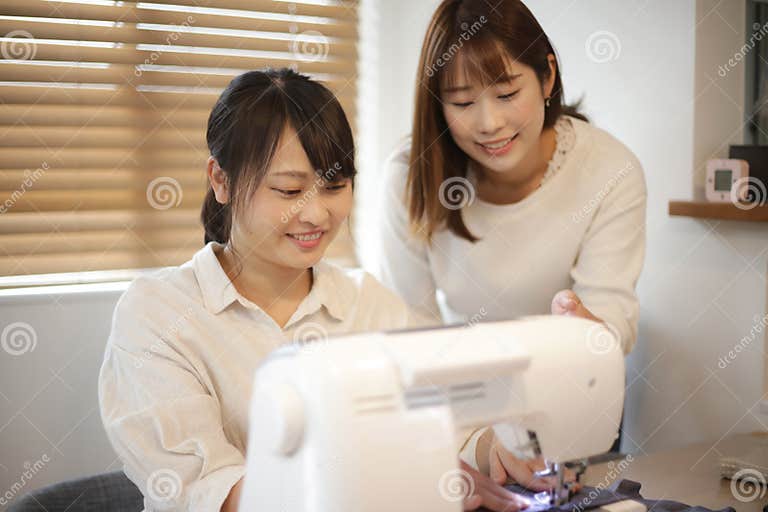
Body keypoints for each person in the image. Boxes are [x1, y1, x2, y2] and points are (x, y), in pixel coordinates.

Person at [98, 69, 530, 512]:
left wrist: (496, 447)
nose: (317, 213)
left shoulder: (368, 304)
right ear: (221, 181)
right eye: (289, 190)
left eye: (334, 186)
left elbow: (442, 428)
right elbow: (211, 491)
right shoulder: (157, 314)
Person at [377, 0, 647, 492]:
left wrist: (590, 333)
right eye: (461, 103)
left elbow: (613, 318)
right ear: (436, 104)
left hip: (569, 389)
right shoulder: (408, 180)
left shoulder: (610, 170)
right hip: (459, 397)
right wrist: (477, 440)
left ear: (546, 76)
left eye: (506, 93)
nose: (489, 124)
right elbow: (409, 336)